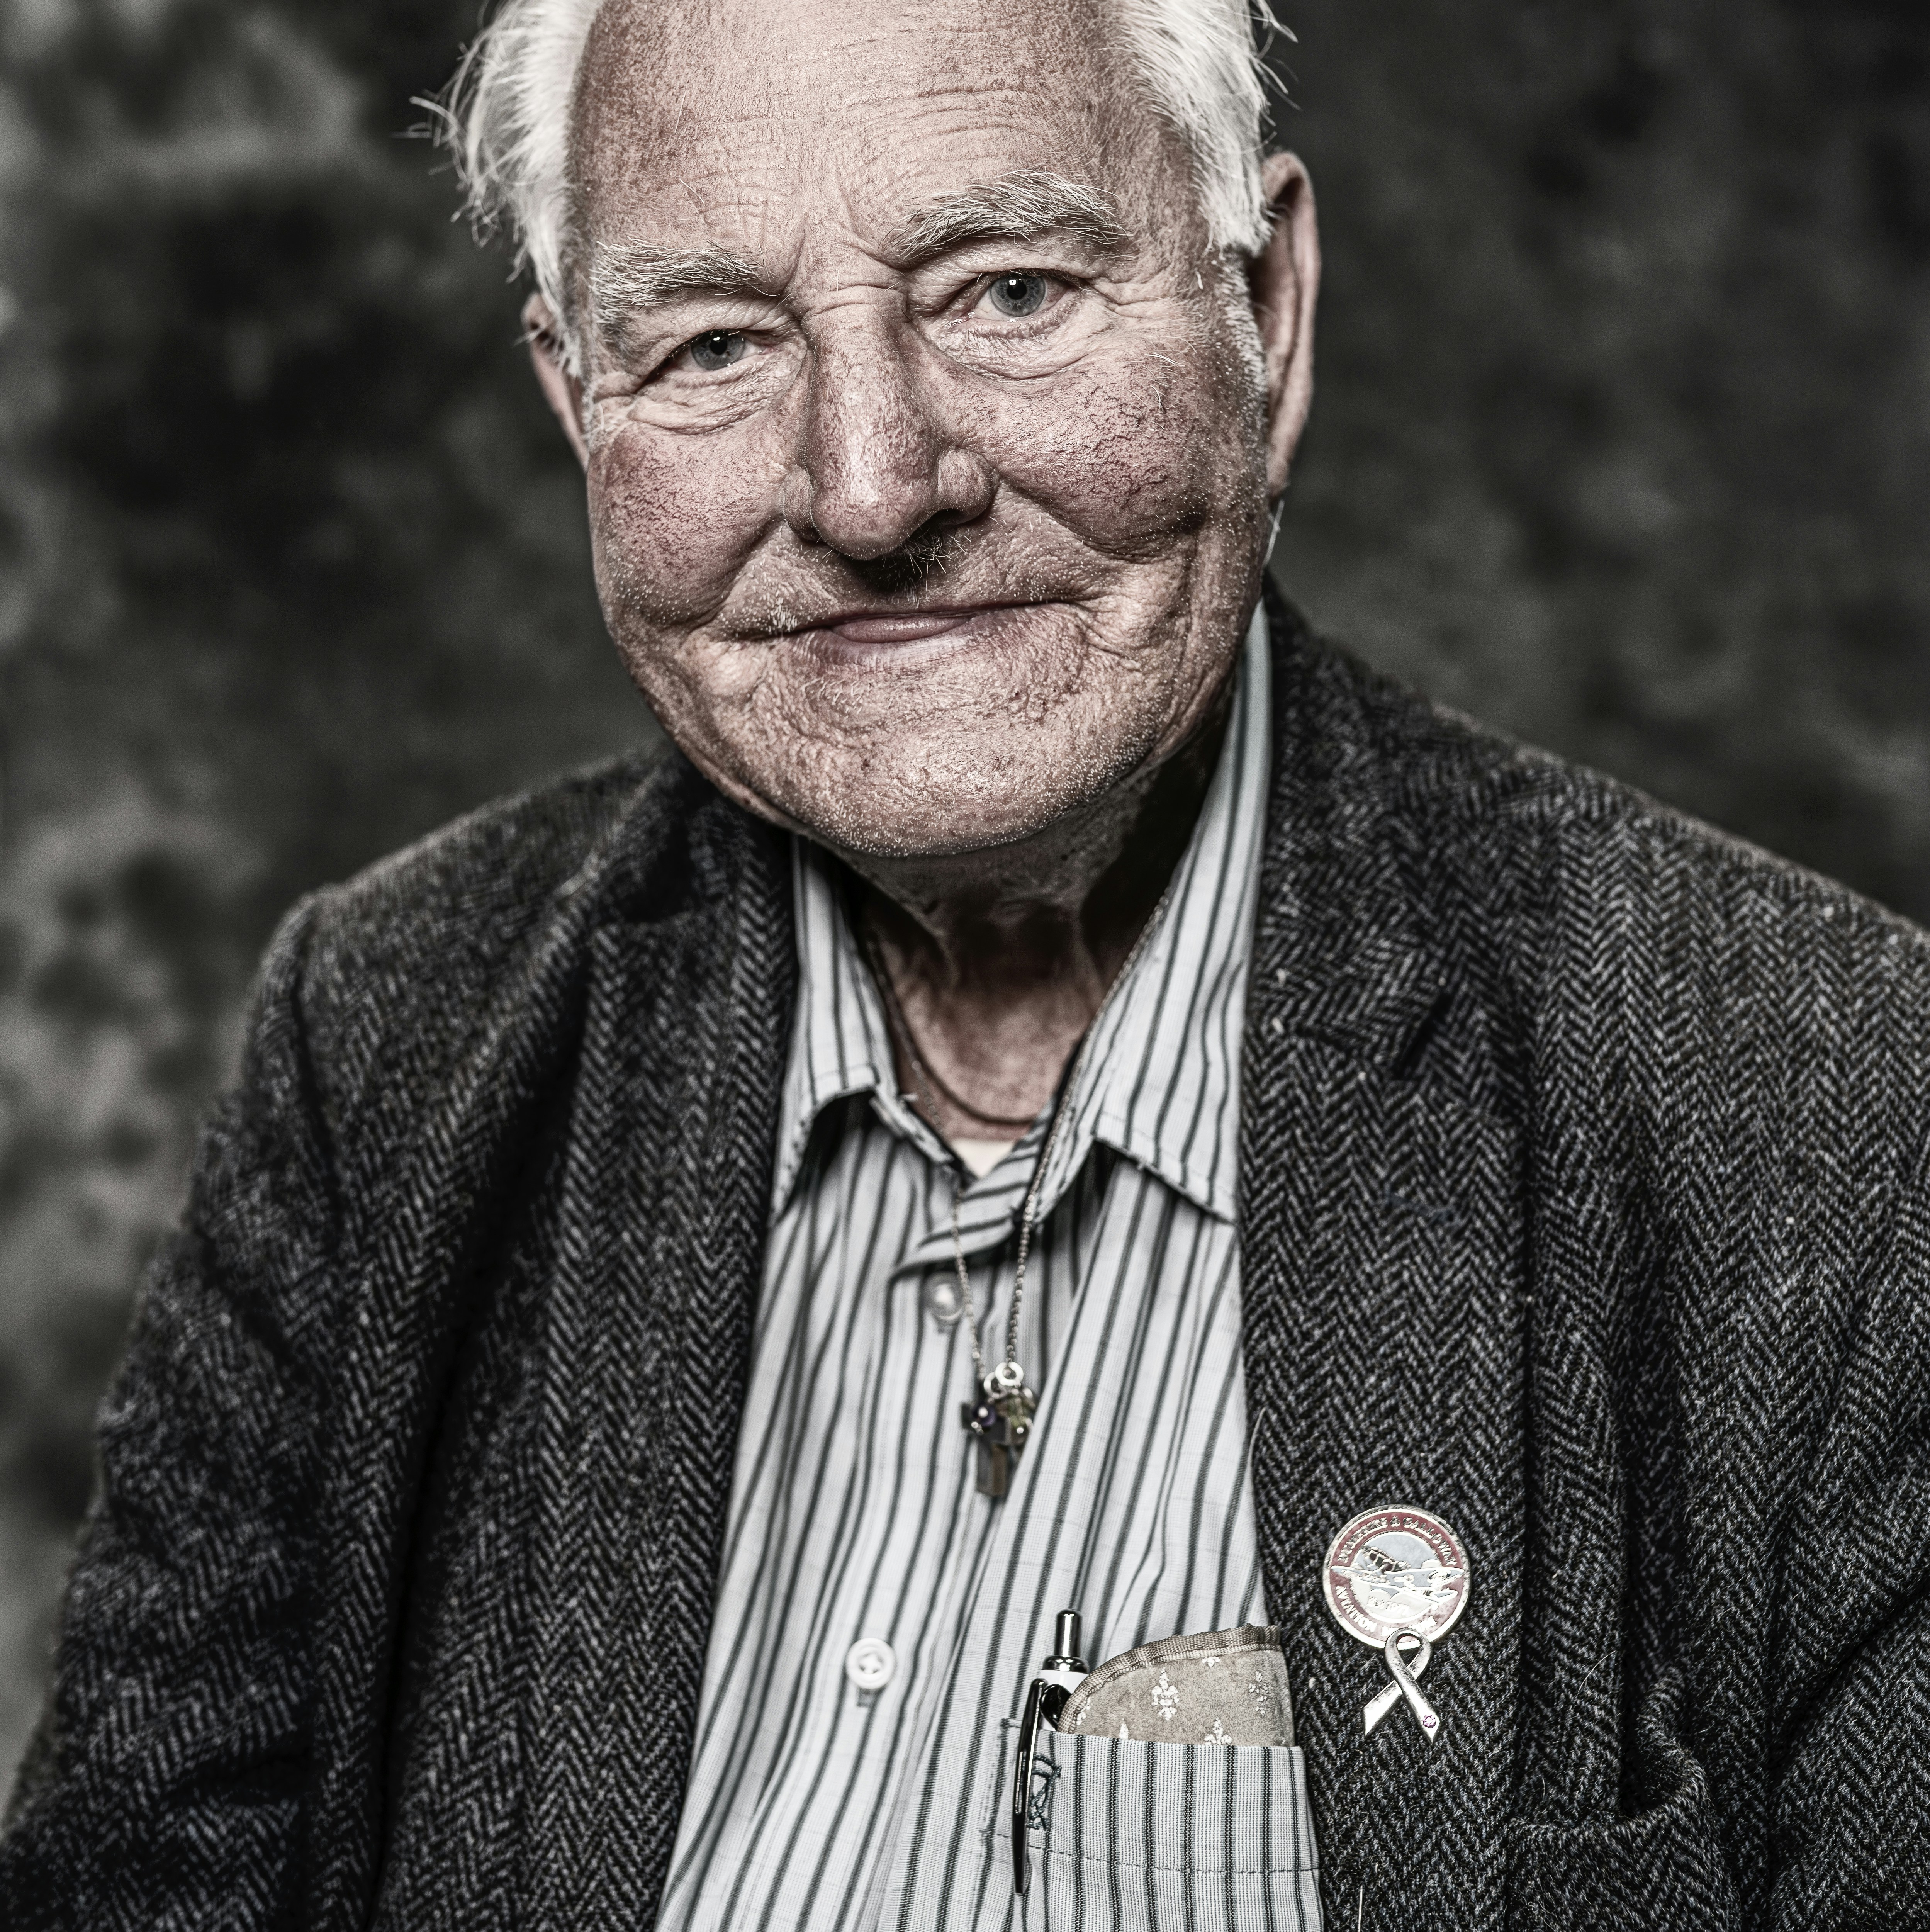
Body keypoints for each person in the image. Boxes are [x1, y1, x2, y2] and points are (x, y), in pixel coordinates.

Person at [3, 0, 1926, 1925]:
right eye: (712, 347)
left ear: (1270, 311)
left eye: (1003, 290)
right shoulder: (388, 1042)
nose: (867, 487)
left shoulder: (1833, 1112)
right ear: (573, 400)